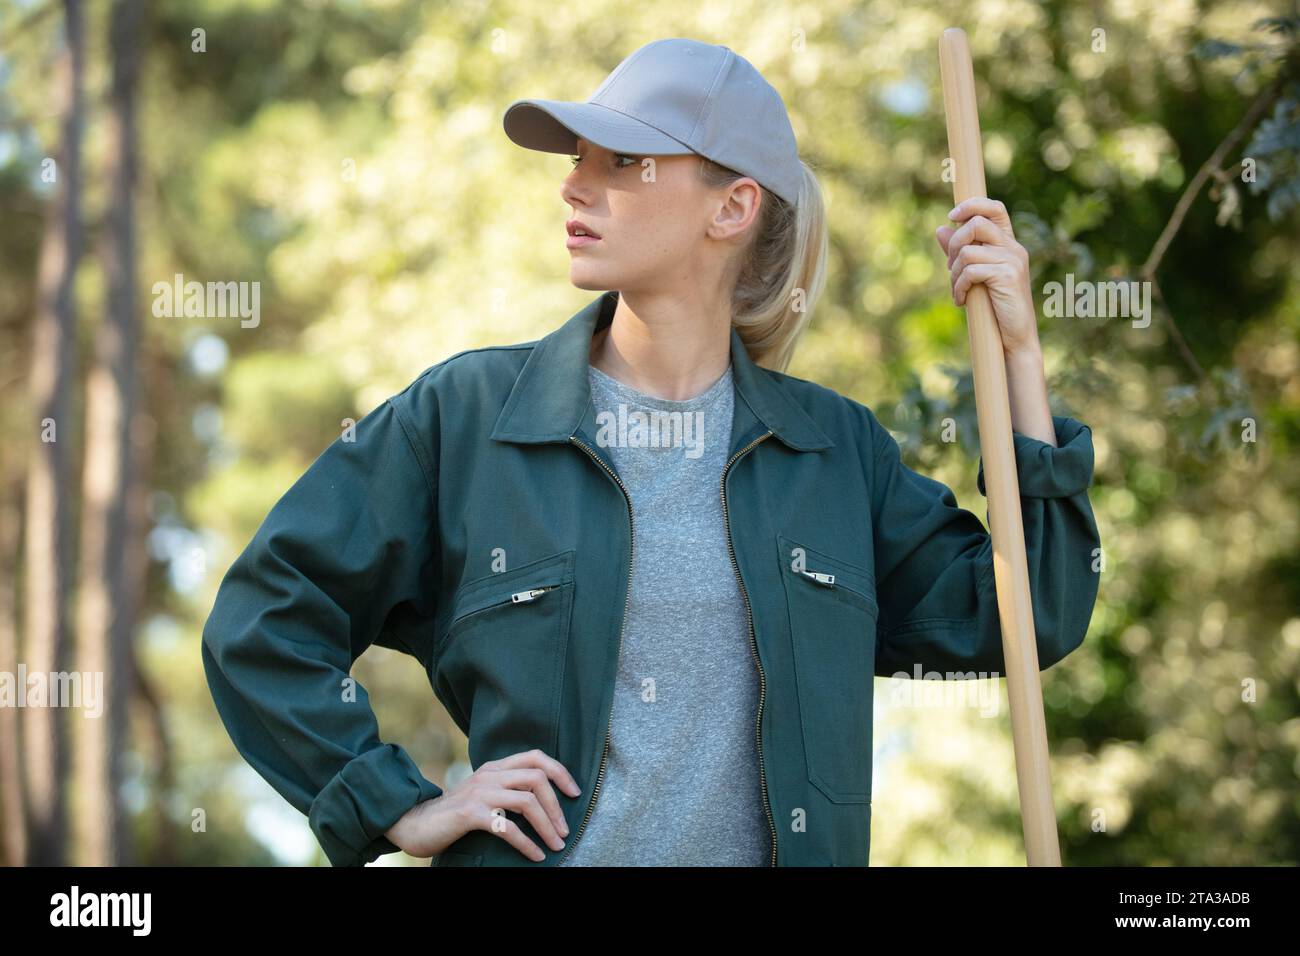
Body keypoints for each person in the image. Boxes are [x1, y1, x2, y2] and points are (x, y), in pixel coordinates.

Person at [201, 37, 1101, 867]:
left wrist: (1020, 356)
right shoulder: (470, 418)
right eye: (576, 159)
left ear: (733, 206)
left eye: (624, 160)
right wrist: (397, 805)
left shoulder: (833, 455)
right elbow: (266, 622)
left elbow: (1029, 615)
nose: (574, 186)